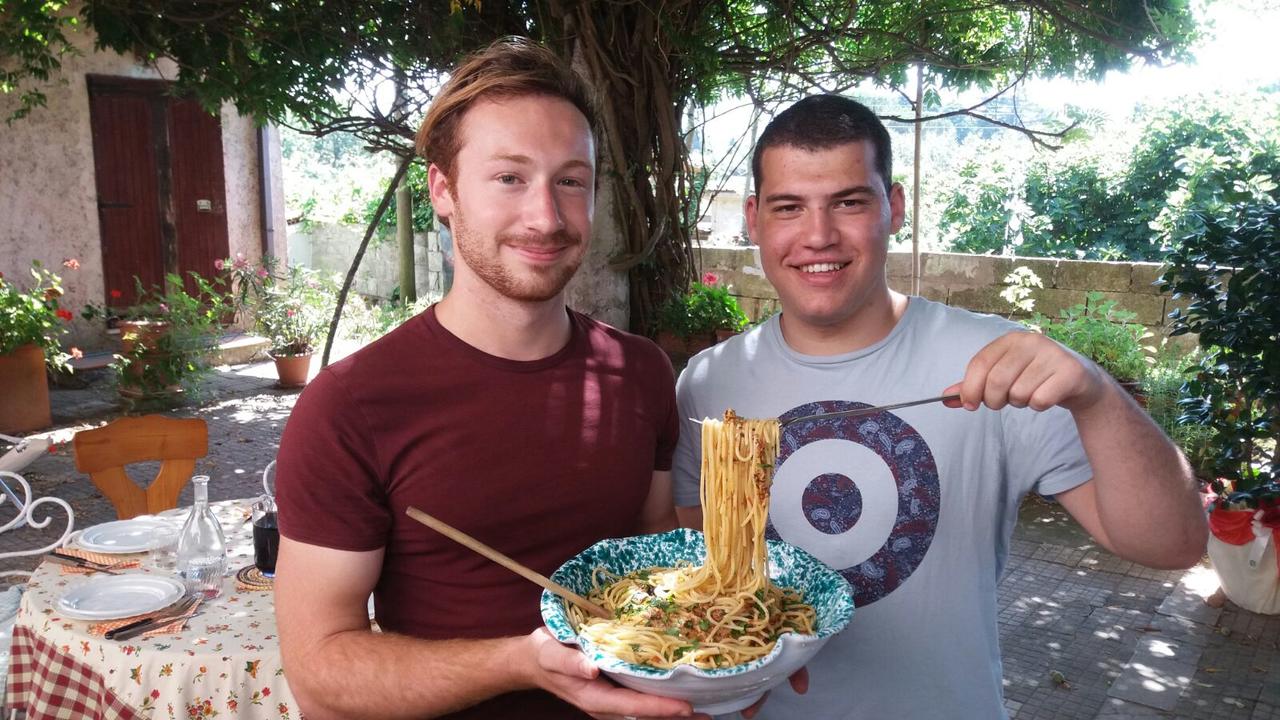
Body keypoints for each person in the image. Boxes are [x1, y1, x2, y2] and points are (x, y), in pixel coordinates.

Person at [672, 94, 1208, 719]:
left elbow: (1173, 544)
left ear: (893, 208)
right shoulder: (709, 382)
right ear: (755, 218)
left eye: (849, 201)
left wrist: (1096, 395)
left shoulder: (992, 363)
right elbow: (698, 563)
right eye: (790, 208)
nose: (818, 235)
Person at [273, 37, 701, 720]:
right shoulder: (351, 406)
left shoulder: (640, 371)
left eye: (571, 181)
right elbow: (320, 671)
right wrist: (519, 663)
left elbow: (655, 563)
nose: (547, 217)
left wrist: (734, 659)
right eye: (510, 178)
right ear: (442, 190)